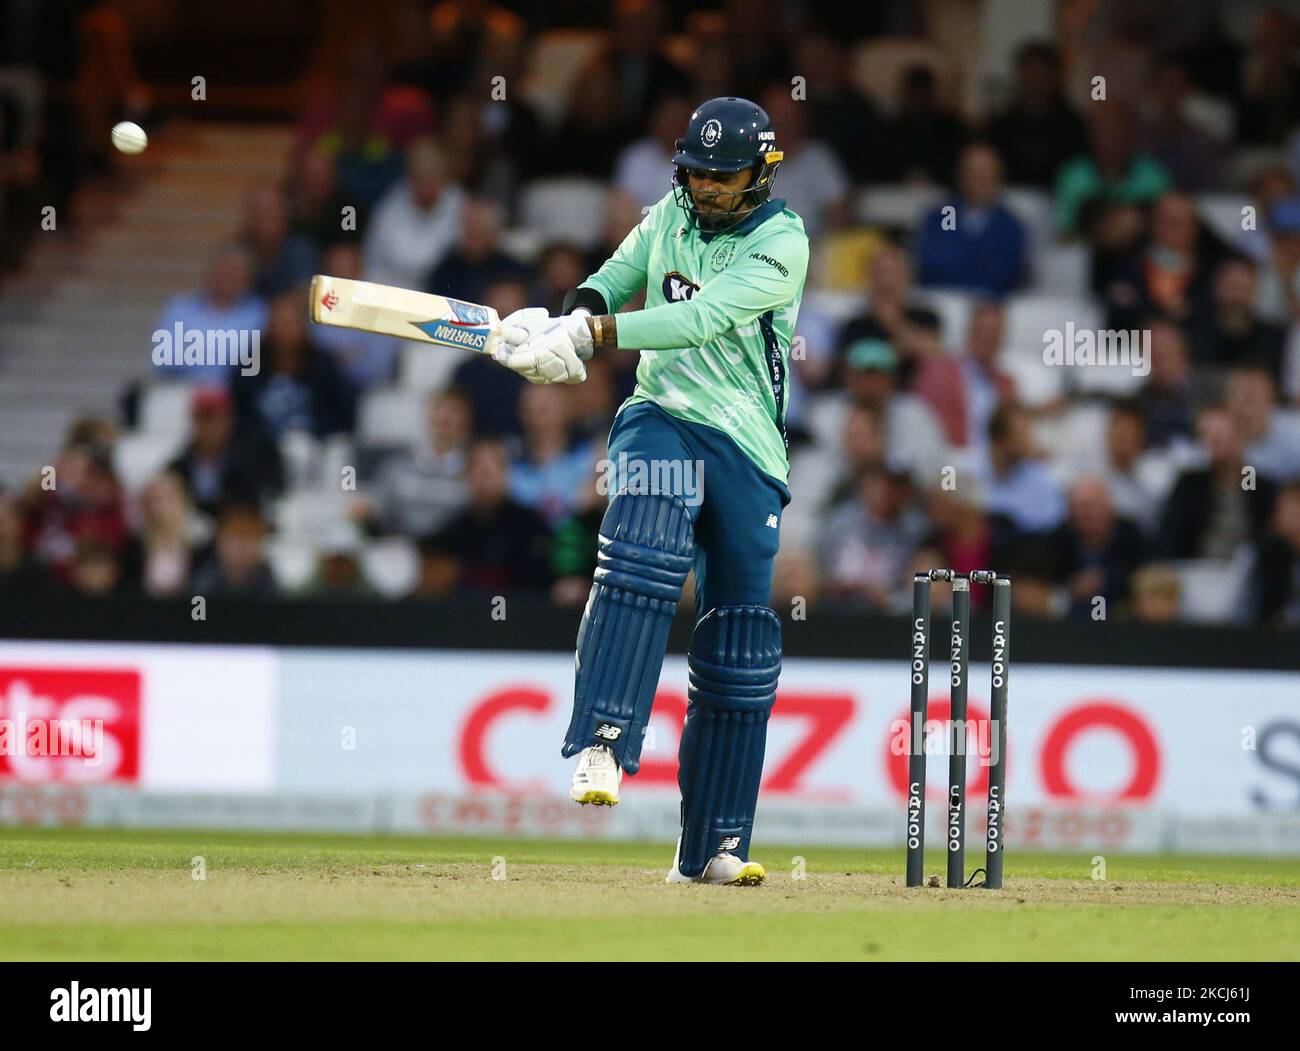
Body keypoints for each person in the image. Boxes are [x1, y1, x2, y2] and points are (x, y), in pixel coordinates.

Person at [491, 97, 808, 886]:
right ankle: (603, 738)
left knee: (738, 651)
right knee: (641, 552)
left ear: (760, 174)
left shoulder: (782, 240)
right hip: (660, 417)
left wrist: (596, 335)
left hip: (748, 448)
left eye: (722, 176)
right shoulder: (666, 213)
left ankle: (711, 849)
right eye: (696, 173)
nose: (705, 189)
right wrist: (568, 322)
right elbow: (608, 281)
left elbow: (701, 318)